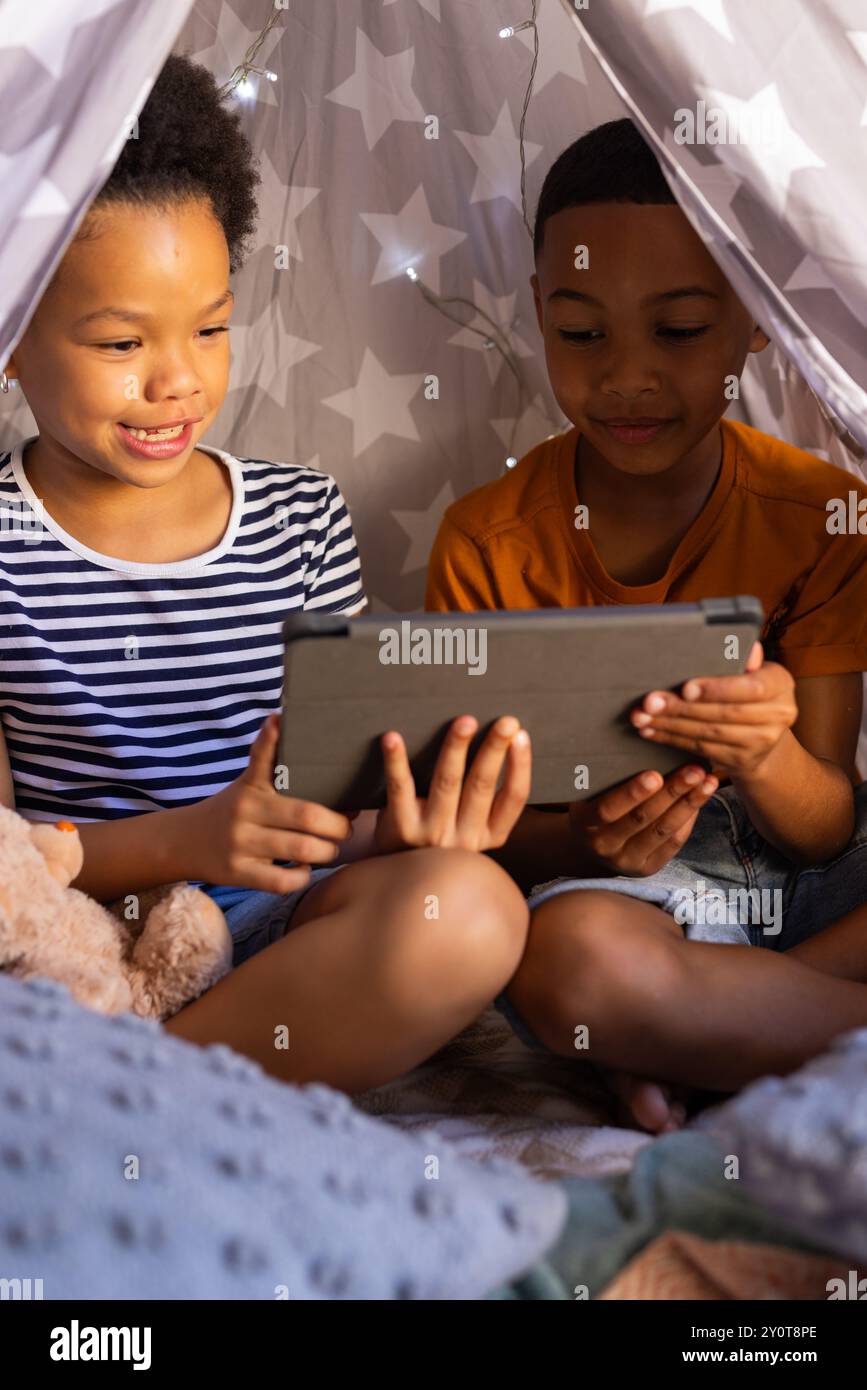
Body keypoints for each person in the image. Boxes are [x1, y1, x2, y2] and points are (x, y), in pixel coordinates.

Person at [0, 55, 533, 1093]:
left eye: (211, 327)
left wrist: (409, 827)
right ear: (14, 338)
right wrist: (189, 840)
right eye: (122, 341)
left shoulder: (300, 517)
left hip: (280, 933)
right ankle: (139, 1092)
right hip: (76, 940)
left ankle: (134, 1095)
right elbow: (7, 860)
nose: (178, 380)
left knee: (469, 909)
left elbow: (345, 805)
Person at [425, 118, 867, 1133]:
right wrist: (587, 839)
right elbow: (482, 840)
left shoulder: (826, 514)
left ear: (756, 317)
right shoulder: (486, 540)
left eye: (679, 330)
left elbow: (828, 829)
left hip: (818, 892)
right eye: (583, 335)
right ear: (540, 310)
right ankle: (722, 1027)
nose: (627, 377)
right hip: (630, 902)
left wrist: (767, 756)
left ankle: (717, 1033)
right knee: (568, 966)